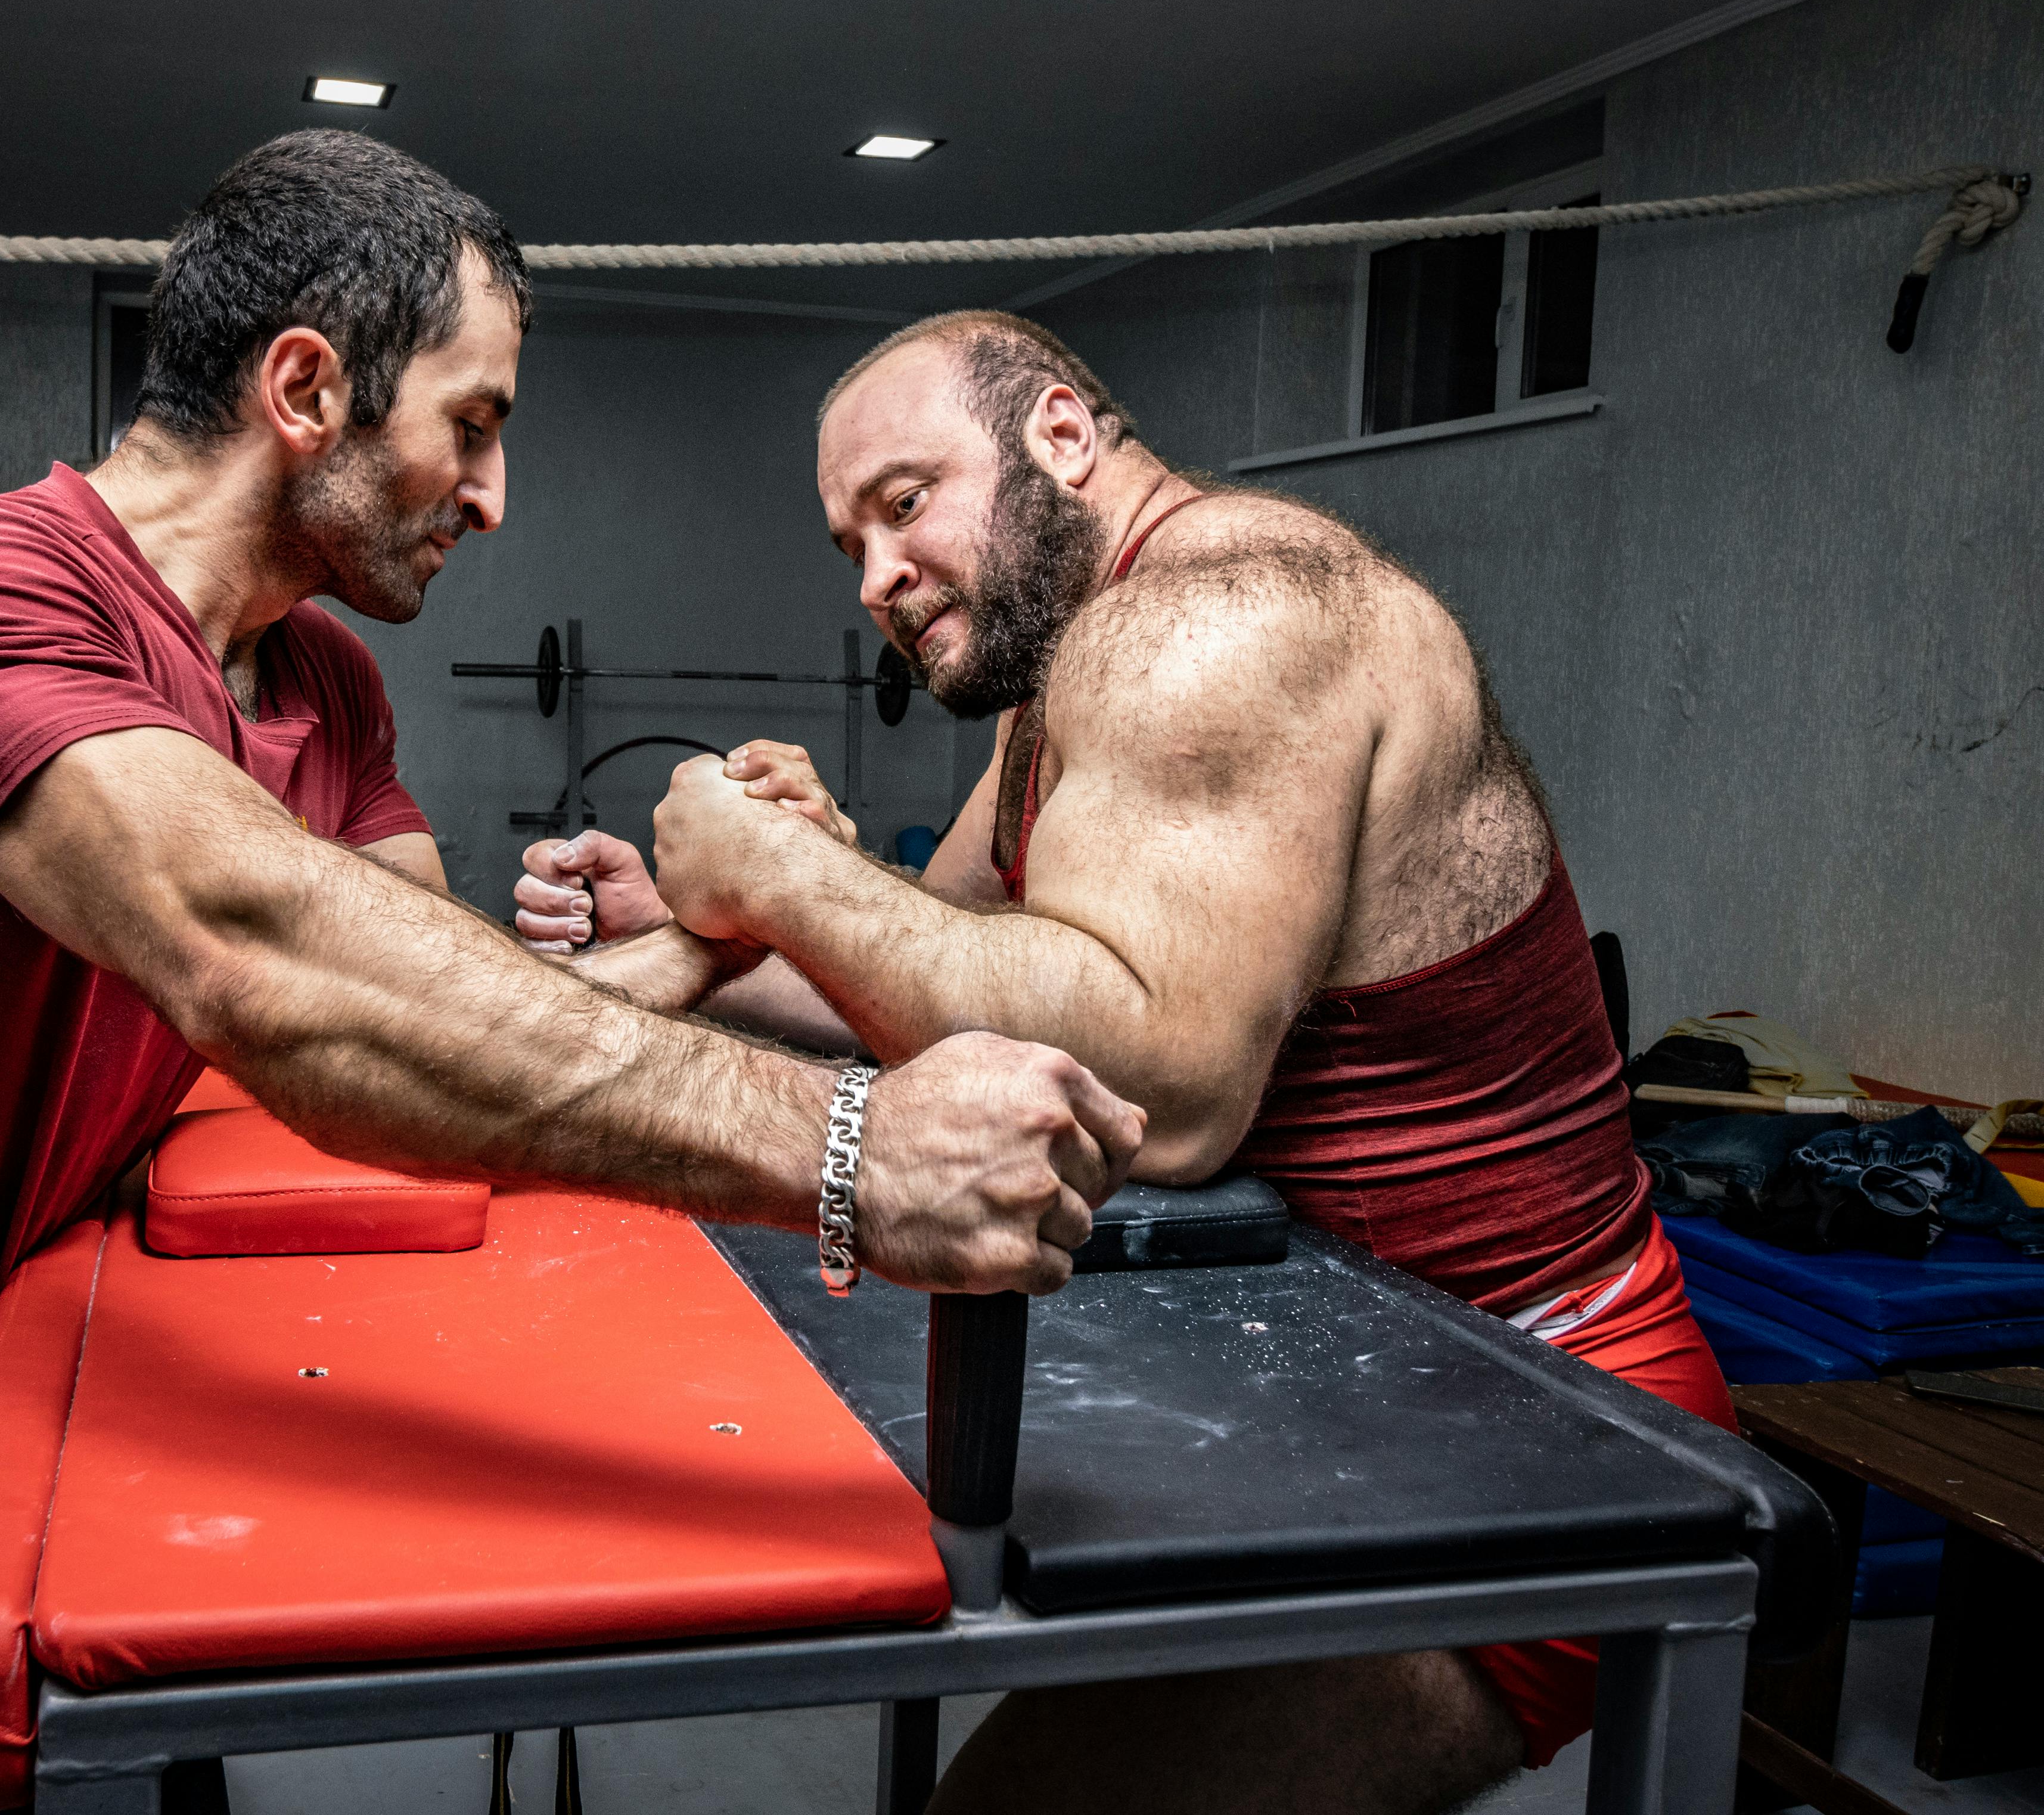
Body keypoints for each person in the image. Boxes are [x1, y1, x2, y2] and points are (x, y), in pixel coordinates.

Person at [0, 147, 1142, 1813]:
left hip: (58, 1453)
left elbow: (427, 1017)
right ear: (305, 387)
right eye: (472, 422)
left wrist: (717, 932)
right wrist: (850, 1153)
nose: (491, 494)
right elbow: (276, 967)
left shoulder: (321, 685)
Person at [514, 310, 1737, 1811]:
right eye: (848, 543)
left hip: (1536, 1426)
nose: (876, 578)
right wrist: (706, 923)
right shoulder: (1065, 668)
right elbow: (937, 962)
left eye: (903, 504)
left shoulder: (1217, 623)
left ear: (1061, 436)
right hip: (1321, 1388)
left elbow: (1157, 1088)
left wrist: (773, 877)